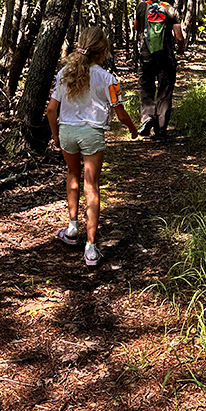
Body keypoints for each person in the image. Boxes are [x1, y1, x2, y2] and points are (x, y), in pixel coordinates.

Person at [46, 26, 138, 266]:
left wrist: (56, 136)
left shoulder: (64, 73)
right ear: (103, 51)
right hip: (92, 134)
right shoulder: (108, 78)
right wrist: (132, 128)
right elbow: (120, 112)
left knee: (72, 175)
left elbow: (51, 109)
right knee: (92, 187)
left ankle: (72, 228)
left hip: (66, 131)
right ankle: (90, 248)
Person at [134, 0, 185, 141]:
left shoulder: (142, 7)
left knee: (146, 89)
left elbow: (137, 28)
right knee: (164, 92)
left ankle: (148, 117)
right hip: (165, 57)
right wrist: (181, 50)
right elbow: (179, 37)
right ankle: (161, 130)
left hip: (146, 56)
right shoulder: (170, 10)